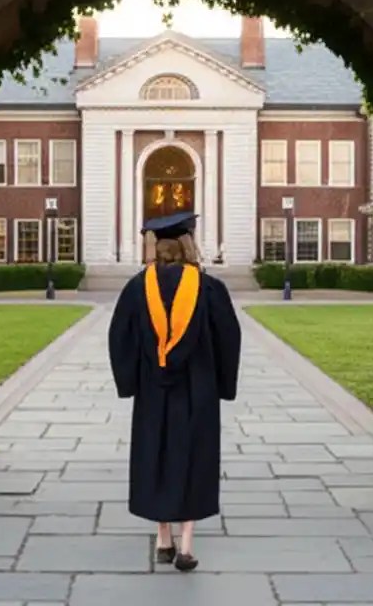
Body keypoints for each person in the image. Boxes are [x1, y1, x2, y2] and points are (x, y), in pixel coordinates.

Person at [107, 211, 241, 572]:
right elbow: (229, 338)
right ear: (187, 245)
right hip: (198, 390)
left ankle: (162, 539)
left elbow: (119, 338)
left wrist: (128, 382)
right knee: (193, 458)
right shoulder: (209, 288)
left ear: (156, 246)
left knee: (157, 455)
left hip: (153, 391)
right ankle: (186, 545)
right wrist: (225, 385)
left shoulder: (138, 288)